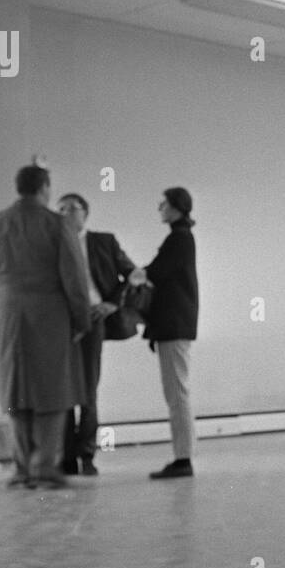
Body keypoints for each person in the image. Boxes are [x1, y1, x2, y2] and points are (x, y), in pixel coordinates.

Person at [0, 165, 91, 490]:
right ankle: (44, 466)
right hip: (50, 316)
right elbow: (75, 278)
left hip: (7, 315)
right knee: (53, 392)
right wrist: (81, 319)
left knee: (15, 392)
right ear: (45, 187)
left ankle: (22, 466)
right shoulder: (56, 224)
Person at [56, 192, 136, 476]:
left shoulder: (103, 241)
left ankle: (86, 454)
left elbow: (131, 273)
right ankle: (65, 457)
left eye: (71, 208)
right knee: (64, 390)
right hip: (63, 323)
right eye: (60, 208)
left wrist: (112, 303)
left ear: (85, 213)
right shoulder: (54, 245)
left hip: (93, 320)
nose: (65, 213)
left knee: (88, 390)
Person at [137, 187, 199, 479]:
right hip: (174, 326)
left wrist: (132, 273)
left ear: (176, 207)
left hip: (173, 326)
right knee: (177, 392)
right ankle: (182, 456)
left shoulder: (179, 239)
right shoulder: (181, 237)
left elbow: (155, 273)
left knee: (177, 394)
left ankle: (183, 459)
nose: (159, 207)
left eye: (163, 203)